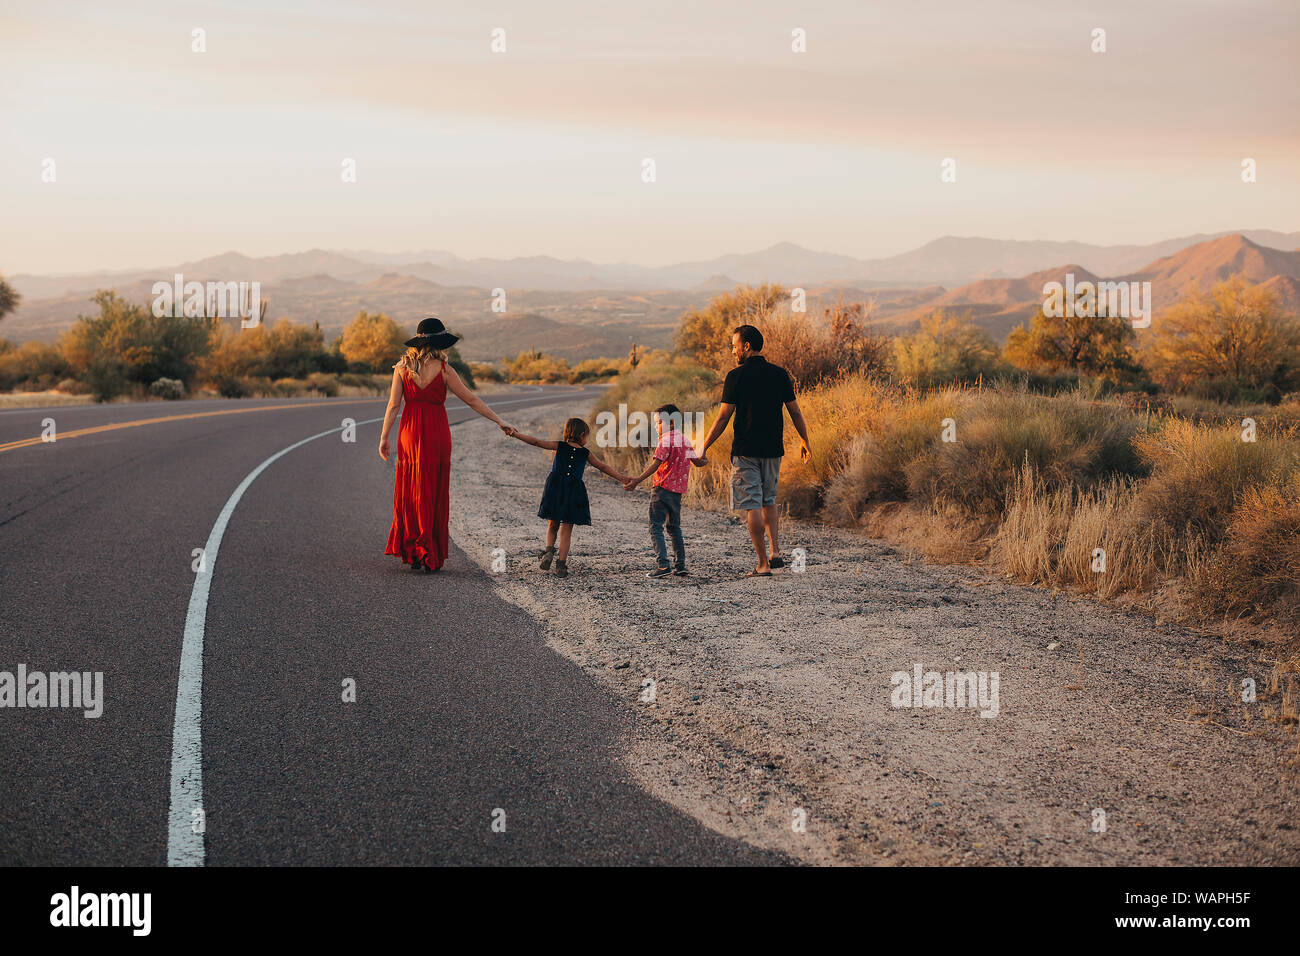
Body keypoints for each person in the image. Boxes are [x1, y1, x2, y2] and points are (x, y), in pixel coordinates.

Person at [380, 317, 513, 572]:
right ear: (439, 343)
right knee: (432, 489)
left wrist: (384, 437)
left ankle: (414, 550)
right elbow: (471, 400)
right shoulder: (444, 369)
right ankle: (428, 549)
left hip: (409, 433)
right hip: (436, 433)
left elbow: (394, 405)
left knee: (411, 489)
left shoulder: (401, 368)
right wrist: (499, 420)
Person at [698, 324, 811, 577]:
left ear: (746, 346)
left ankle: (762, 565)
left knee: (752, 505)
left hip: (746, 452)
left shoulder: (735, 377)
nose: (732, 351)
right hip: (773, 450)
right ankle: (775, 552)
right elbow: (795, 411)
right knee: (768, 501)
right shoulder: (780, 374)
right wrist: (805, 440)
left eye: (734, 346)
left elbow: (723, 418)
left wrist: (703, 446)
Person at [509, 417, 631, 578]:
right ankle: (561, 565)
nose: (587, 440)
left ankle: (548, 552)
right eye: (587, 436)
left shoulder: (559, 446)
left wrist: (516, 434)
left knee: (553, 524)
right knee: (567, 529)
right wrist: (622, 478)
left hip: (555, 488)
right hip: (574, 491)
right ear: (581, 435)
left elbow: (536, 442)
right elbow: (603, 466)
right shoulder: (585, 453)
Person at [624, 404, 707, 578]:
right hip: (677, 494)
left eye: (659, 422)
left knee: (655, 526)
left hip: (661, 491)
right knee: (674, 528)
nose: (656, 426)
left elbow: (655, 464)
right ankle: (680, 565)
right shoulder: (684, 440)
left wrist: (637, 481)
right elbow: (697, 462)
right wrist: (704, 459)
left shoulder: (666, 441)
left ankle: (663, 566)